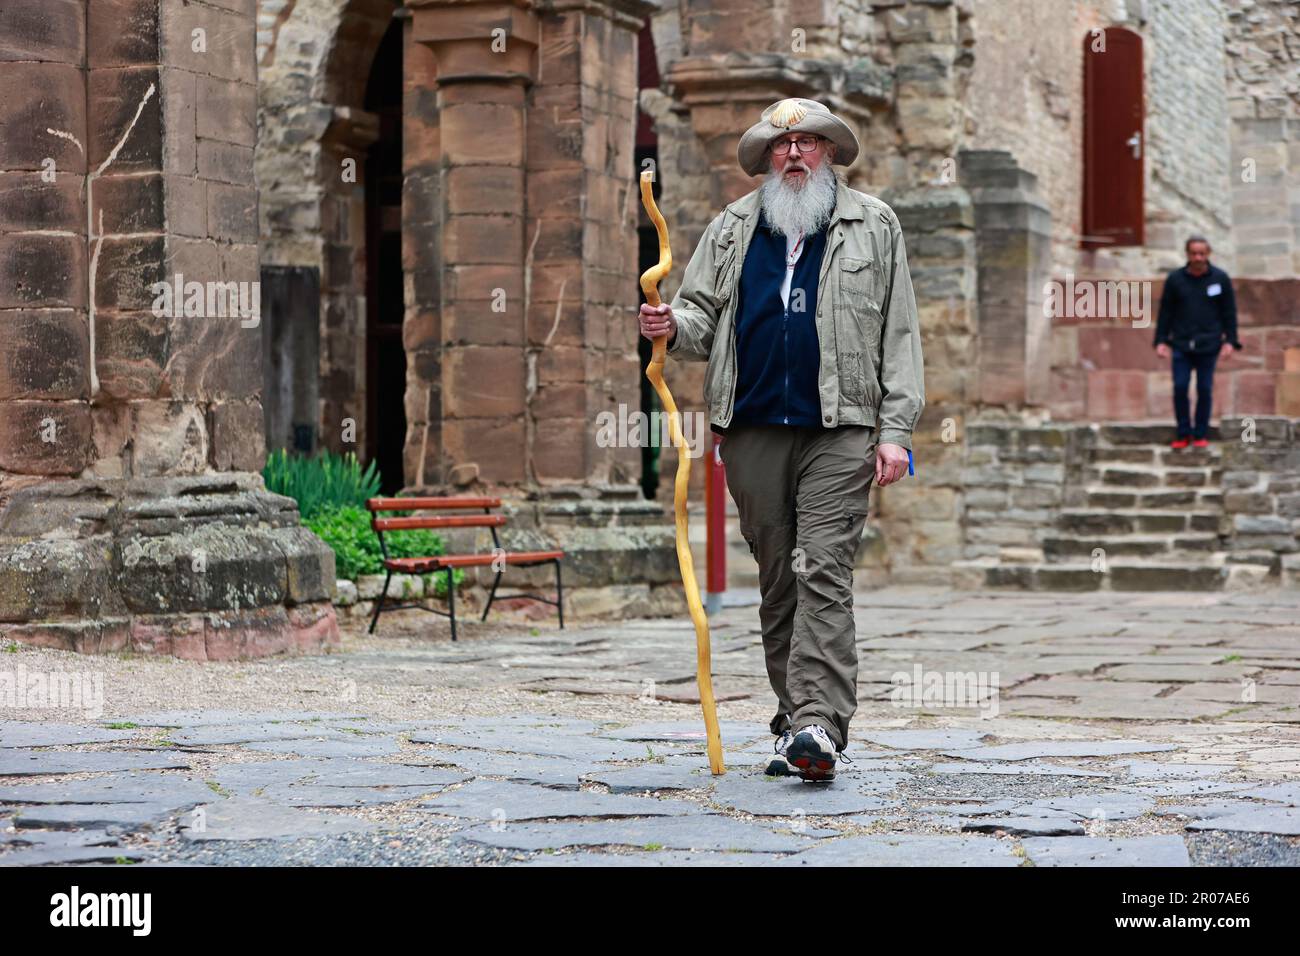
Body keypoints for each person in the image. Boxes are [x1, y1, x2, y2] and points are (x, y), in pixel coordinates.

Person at [636, 98, 925, 781]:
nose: (794, 155)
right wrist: (669, 323)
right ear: (768, 160)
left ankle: (819, 724)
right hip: (753, 427)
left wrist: (896, 432)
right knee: (779, 579)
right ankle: (795, 719)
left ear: (830, 153)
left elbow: (900, 335)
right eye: (781, 146)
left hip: (842, 428)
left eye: (808, 144)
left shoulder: (873, 225)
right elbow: (700, 314)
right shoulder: (735, 228)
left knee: (821, 567)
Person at [1153, 236, 1241, 449]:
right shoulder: (1175, 280)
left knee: (1204, 388)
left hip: (1209, 344)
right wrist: (1161, 340)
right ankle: (1183, 433)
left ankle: (1200, 433)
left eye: (1202, 253)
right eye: (1194, 253)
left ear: (1208, 254)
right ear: (1188, 254)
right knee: (1180, 387)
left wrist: (1230, 341)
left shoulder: (1220, 279)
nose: (1198, 258)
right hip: (1182, 343)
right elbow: (1166, 312)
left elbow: (1229, 312)